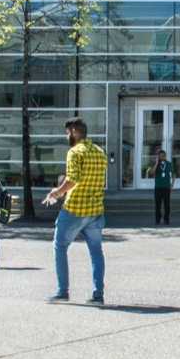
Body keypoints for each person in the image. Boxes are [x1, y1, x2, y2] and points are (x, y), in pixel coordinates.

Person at [46, 117, 106, 303]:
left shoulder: (74, 152)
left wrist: (56, 192)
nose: (66, 136)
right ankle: (98, 294)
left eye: (67, 133)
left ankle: (62, 291)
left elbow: (72, 179)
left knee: (60, 246)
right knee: (96, 252)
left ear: (74, 132)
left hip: (74, 209)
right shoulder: (100, 152)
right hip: (95, 210)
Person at [146, 148, 173, 225]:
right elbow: (151, 172)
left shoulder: (169, 164)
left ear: (165, 156)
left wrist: (172, 182)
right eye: (160, 156)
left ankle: (166, 219)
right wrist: (157, 163)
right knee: (158, 204)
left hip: (166, 187)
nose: (161, 157)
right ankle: (157, 219)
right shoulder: (155, 164)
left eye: (163, 155)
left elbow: (173, 173)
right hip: (158, 187)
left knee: (166, 204)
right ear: (158, 156)